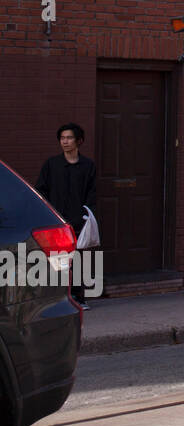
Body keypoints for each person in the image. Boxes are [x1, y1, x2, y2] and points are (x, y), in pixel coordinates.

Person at [36, 123, 97, 305]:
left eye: (69, 138)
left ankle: (79, 297)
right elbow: (41, 190)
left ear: (79, 141)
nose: (65, 142)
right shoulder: (52, 165)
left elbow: (92, 193)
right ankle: (59, 298)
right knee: (57, 260)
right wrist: (48, 213)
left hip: (79, 220)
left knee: (78, 260)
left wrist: (86, 215)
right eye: (62, 138)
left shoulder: (87, 166)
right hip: (56, 220)